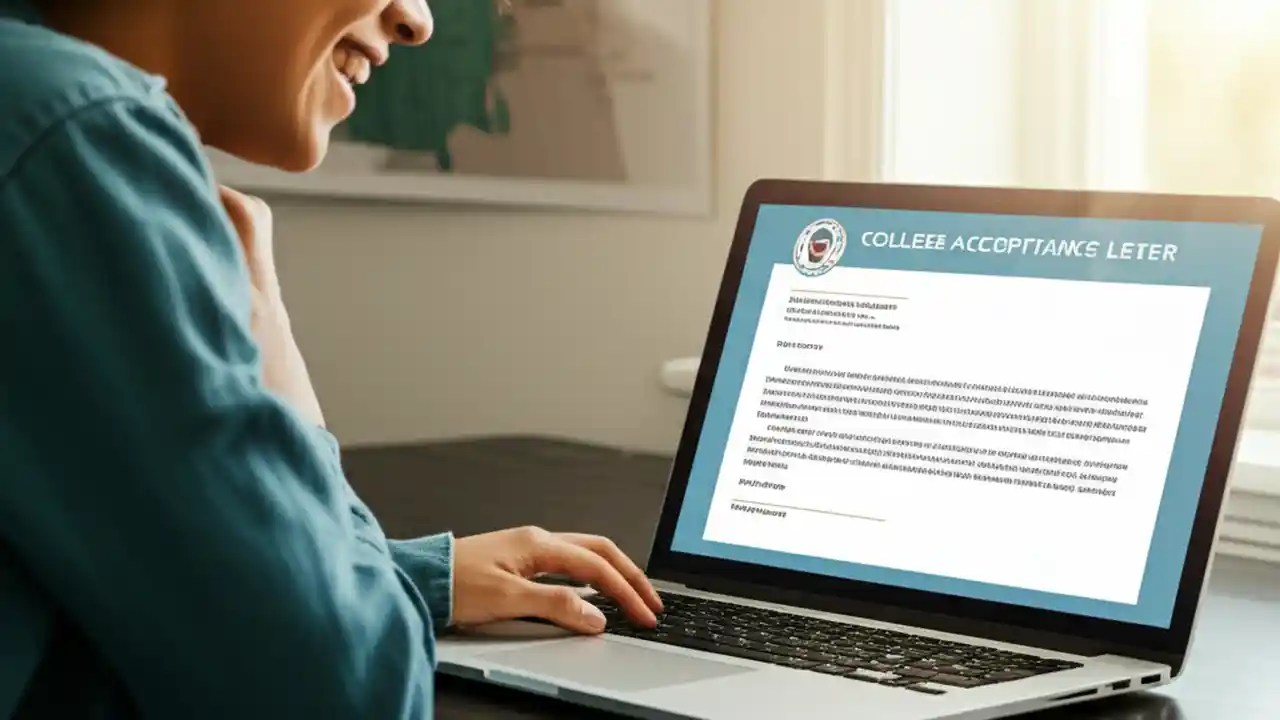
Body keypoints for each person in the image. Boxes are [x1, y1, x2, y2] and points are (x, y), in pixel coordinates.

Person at [0, 0, 662, 717]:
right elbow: (348, 694)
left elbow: (102, 556)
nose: (417, 19)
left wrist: (408, 576)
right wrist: (274, 359)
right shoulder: (73, 126)